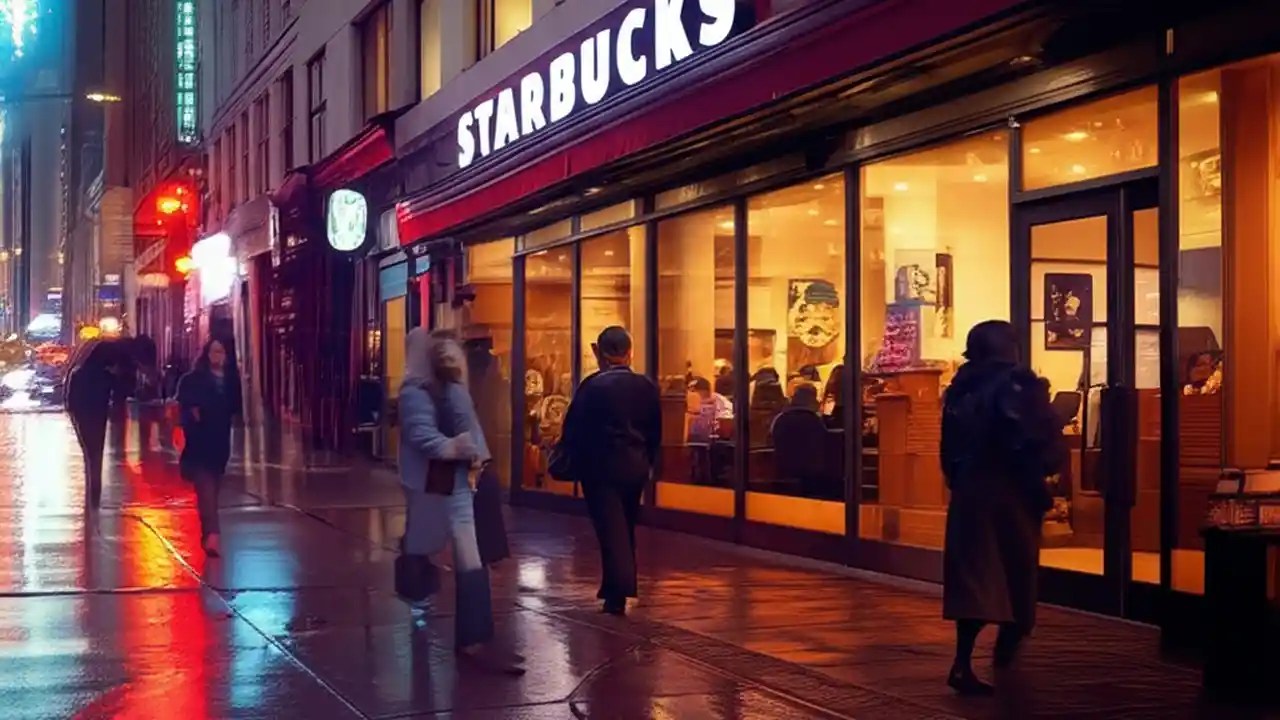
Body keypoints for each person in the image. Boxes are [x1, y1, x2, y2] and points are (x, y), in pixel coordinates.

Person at [940, 320, 1065, 695]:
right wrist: (1044, 471)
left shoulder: (960, 389)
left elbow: (949, 450)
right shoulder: (1018, 384)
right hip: (1009, 491)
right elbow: (1032, 439)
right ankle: (1005, 655)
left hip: (970, 491)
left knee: (975, 576)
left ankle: (964, 660)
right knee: (1017, 574)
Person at [398, 328, 521, 674]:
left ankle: (474, 638)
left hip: (457, 484)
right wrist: (458, 448)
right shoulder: (418, 392)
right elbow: (423, 435)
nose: (454, 360)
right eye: (447, 354)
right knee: (431, 548)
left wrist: (478, 460)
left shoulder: (454, 390)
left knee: (469, 557)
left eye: (456, 353)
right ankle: (431, 605)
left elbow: (473, 430)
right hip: (432, 484)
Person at [558, 326, 662, 616]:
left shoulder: (592, 387)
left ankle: (618, 589)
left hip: (601, 466)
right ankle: (621, 584)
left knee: (610, 527)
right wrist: (650, 461)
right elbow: (655, 430)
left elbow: (575, 429)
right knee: (626, 522)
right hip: (636, 463)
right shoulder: (646, 386)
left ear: (599, 353)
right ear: (629, 351)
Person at [177, 338, 241, 557]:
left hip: (220, 444)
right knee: (206, 491)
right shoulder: (193, 380)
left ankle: (208, 533)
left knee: (213, 490)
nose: (218, 356)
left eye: (221, 352)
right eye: (214, 352)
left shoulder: (231, 381)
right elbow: (185, 406)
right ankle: (212, 534)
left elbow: (235, 408)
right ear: (206, 354)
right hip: (200, 444)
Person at [66, 340, 122, 509]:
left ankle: (92, 489)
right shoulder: (106, 375)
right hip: (98, 416)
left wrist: (74, 415)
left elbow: (70, 399)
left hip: (82, 417)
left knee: (89, 454)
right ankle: (94, 491)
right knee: (96, 454)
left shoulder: (79, 372)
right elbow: (121, 392)